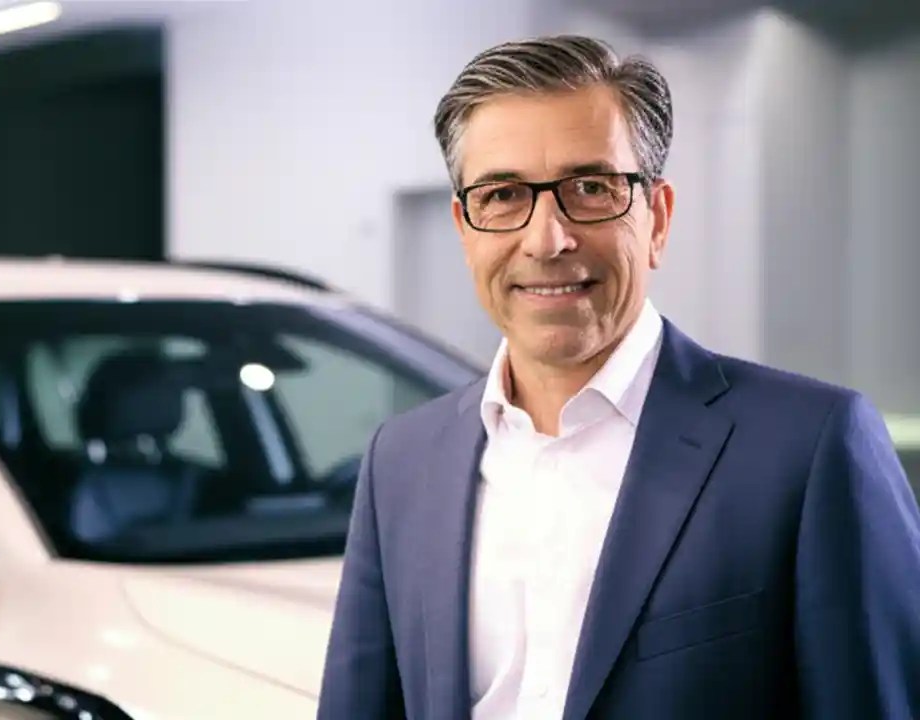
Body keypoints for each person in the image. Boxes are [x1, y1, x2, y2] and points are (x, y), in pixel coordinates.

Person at [316, 34, 920, 720]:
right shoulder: (402, 460)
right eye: (504, 195)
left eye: (591, 188)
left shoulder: (807, 450)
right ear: (465, 228)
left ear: (657, 218)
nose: (547, 239)